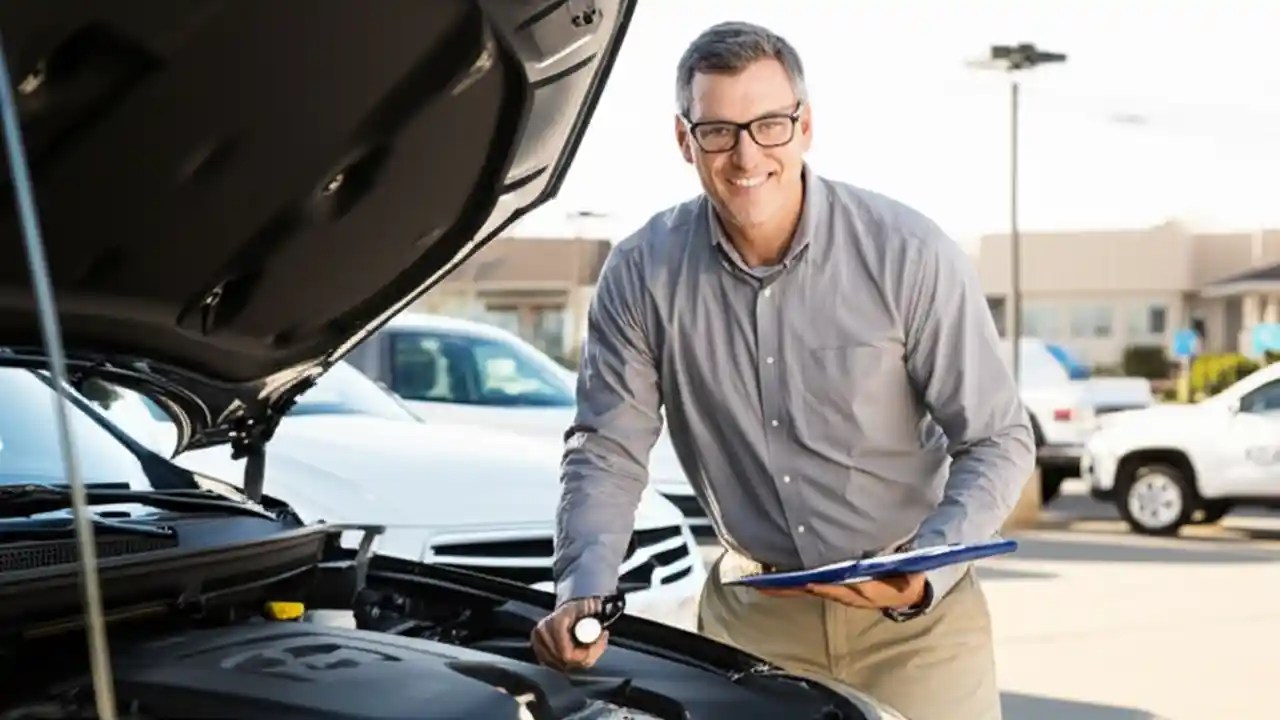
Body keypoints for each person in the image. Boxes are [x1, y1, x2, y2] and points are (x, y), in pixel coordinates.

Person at [531, 20, 1035, 720]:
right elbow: (608, 450)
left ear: (804, 128)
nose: (745, 155)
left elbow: (997, 437)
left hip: (917, 627)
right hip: (753, 620)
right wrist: (583, 589)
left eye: (769, 125)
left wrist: (926, 569)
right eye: (718, 131)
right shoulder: (642, 273)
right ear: (685, 140)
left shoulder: (909, 254)